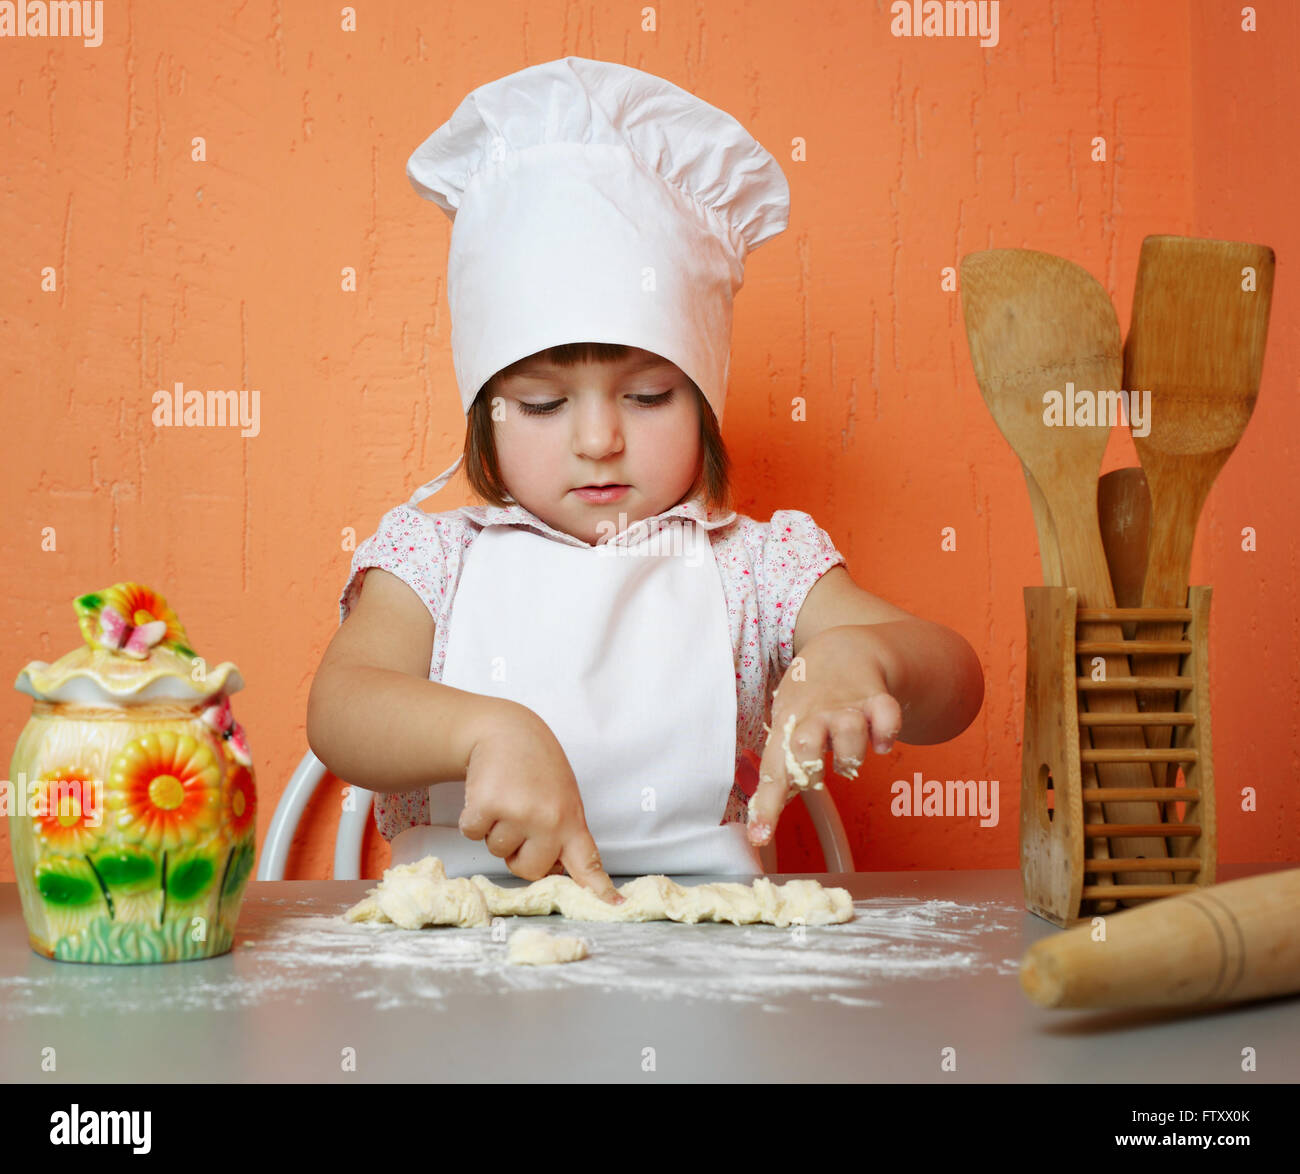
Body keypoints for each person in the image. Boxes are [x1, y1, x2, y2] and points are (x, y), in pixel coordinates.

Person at [306, 57, 984, 905]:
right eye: (545, 403)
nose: (600, 439)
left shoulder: (758, 571)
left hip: (707, 955)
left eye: (649, 395)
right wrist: (487, 731)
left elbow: (957, 684)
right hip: (458, 943)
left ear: (704, 400)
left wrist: (865, 656)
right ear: (487, 412)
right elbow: (339, 709)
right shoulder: (436, 562)